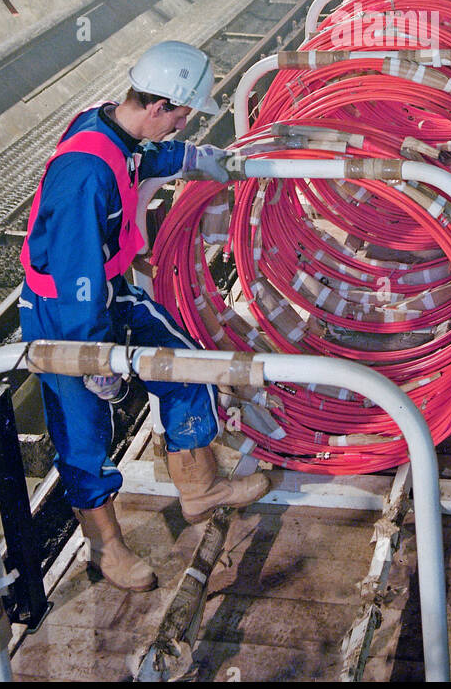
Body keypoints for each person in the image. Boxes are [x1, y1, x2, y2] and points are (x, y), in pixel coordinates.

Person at [19, 39, 269, 591]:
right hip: (64, 313)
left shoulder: (113, 126)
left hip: (105, 291)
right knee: (83, 434)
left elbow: (142, 157)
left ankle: (199, 487)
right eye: (181, 118)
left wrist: (196, 160)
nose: (181, 126)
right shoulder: (84, 173)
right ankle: (107, 548)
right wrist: (96, 356)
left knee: (184, 363)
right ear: (159, 106)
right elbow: (74, 272)